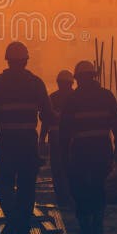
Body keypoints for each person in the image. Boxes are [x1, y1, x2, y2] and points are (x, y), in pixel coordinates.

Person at [0, 41, 51, 234]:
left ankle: (13, 222)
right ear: (25, 61)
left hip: (6, 142)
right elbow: (47, 114)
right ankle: (20, 229)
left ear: (8, 60)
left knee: (4, 184)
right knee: (26, 187)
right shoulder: (36, 83)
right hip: (28, 144)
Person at [59, 60, 117, 234]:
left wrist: (64, 156)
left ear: (78, 78)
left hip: (81, 152)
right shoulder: (106, 96)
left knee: (80, 188)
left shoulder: (73, 99)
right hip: (102, 150)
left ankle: (86, 224)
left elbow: (64, 131)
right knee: (98, 186)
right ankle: (97, 221)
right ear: (93, 76)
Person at [39, 70, 74, 208]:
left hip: (57, 138)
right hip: (71, 139)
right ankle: (69, 196)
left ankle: (62, 197)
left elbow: (45, 120)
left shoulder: (52, 98)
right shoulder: (76, 97)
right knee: (68, 168)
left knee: (58, 169)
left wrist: (42, 138)